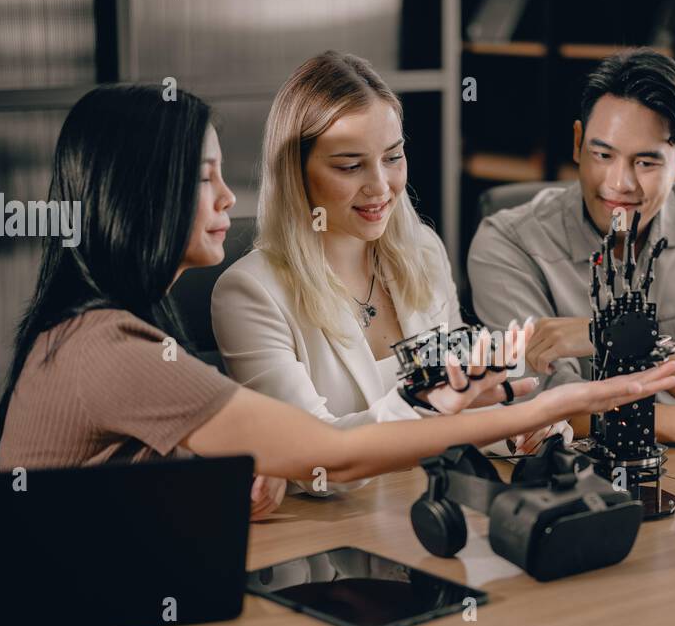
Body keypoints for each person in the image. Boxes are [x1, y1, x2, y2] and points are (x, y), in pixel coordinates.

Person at [0, 83, 675, 521]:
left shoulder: (108, 330)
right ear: (143, 198)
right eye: (203, 179)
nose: (228, 199)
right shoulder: (108, 347)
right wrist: (548, 404)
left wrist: (238, 479)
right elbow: (333, 456)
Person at [212, 52, 568, 496]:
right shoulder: (249, 292)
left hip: (423, 510)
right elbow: (314, 462)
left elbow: (460, 404)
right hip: (335, 530)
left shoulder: (423, 252)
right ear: (296, 173)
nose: (380, 186)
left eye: (393, 157)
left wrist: (518, 429)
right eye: (350, 166)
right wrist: (426, 406)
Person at [468, 48, 675, 448]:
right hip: (581, 471)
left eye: (645, 163)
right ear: (577, 143)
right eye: (602, 154)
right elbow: (548, 411)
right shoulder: (507, 244)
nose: (618, 183)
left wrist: (624, 339)